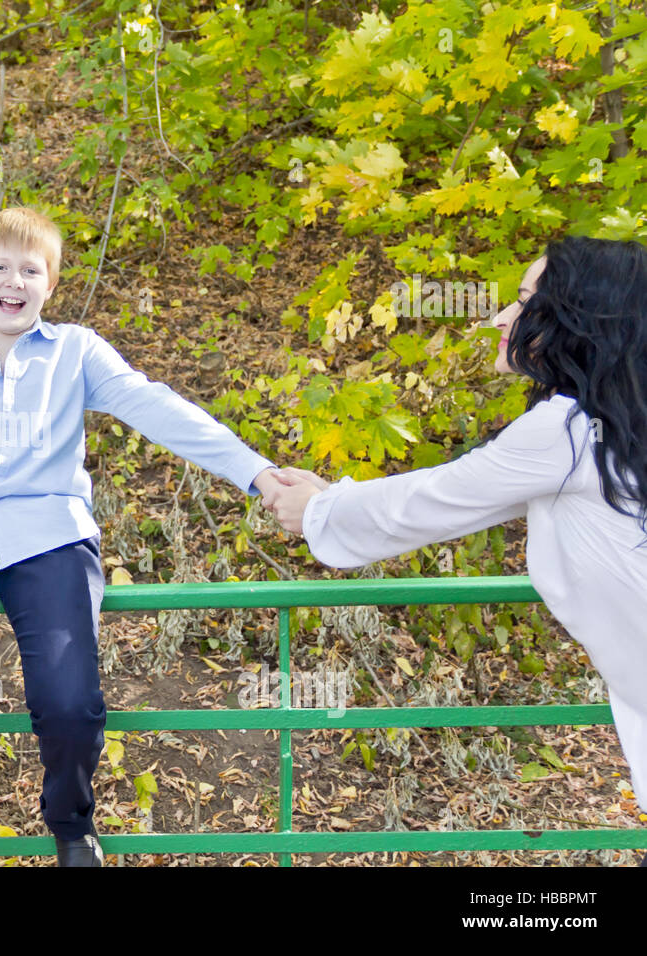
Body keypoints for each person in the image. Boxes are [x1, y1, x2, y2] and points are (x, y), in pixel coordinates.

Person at [0, 207, 285, 866]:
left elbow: (157, 406)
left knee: (69, 702)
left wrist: (256, 473)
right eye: (0, 266)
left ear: (50, 283)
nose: (14, 280)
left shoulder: (77, 353)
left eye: (30, 269)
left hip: (50, 536)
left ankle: (70, 820)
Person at [268, 236, 647, 864]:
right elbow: (460, 496)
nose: (499, 319)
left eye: (524, 301)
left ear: (576, 319)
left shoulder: (568, 434)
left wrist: (314, 509)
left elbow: (428, 502)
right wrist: (330, 501)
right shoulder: (608, 428)